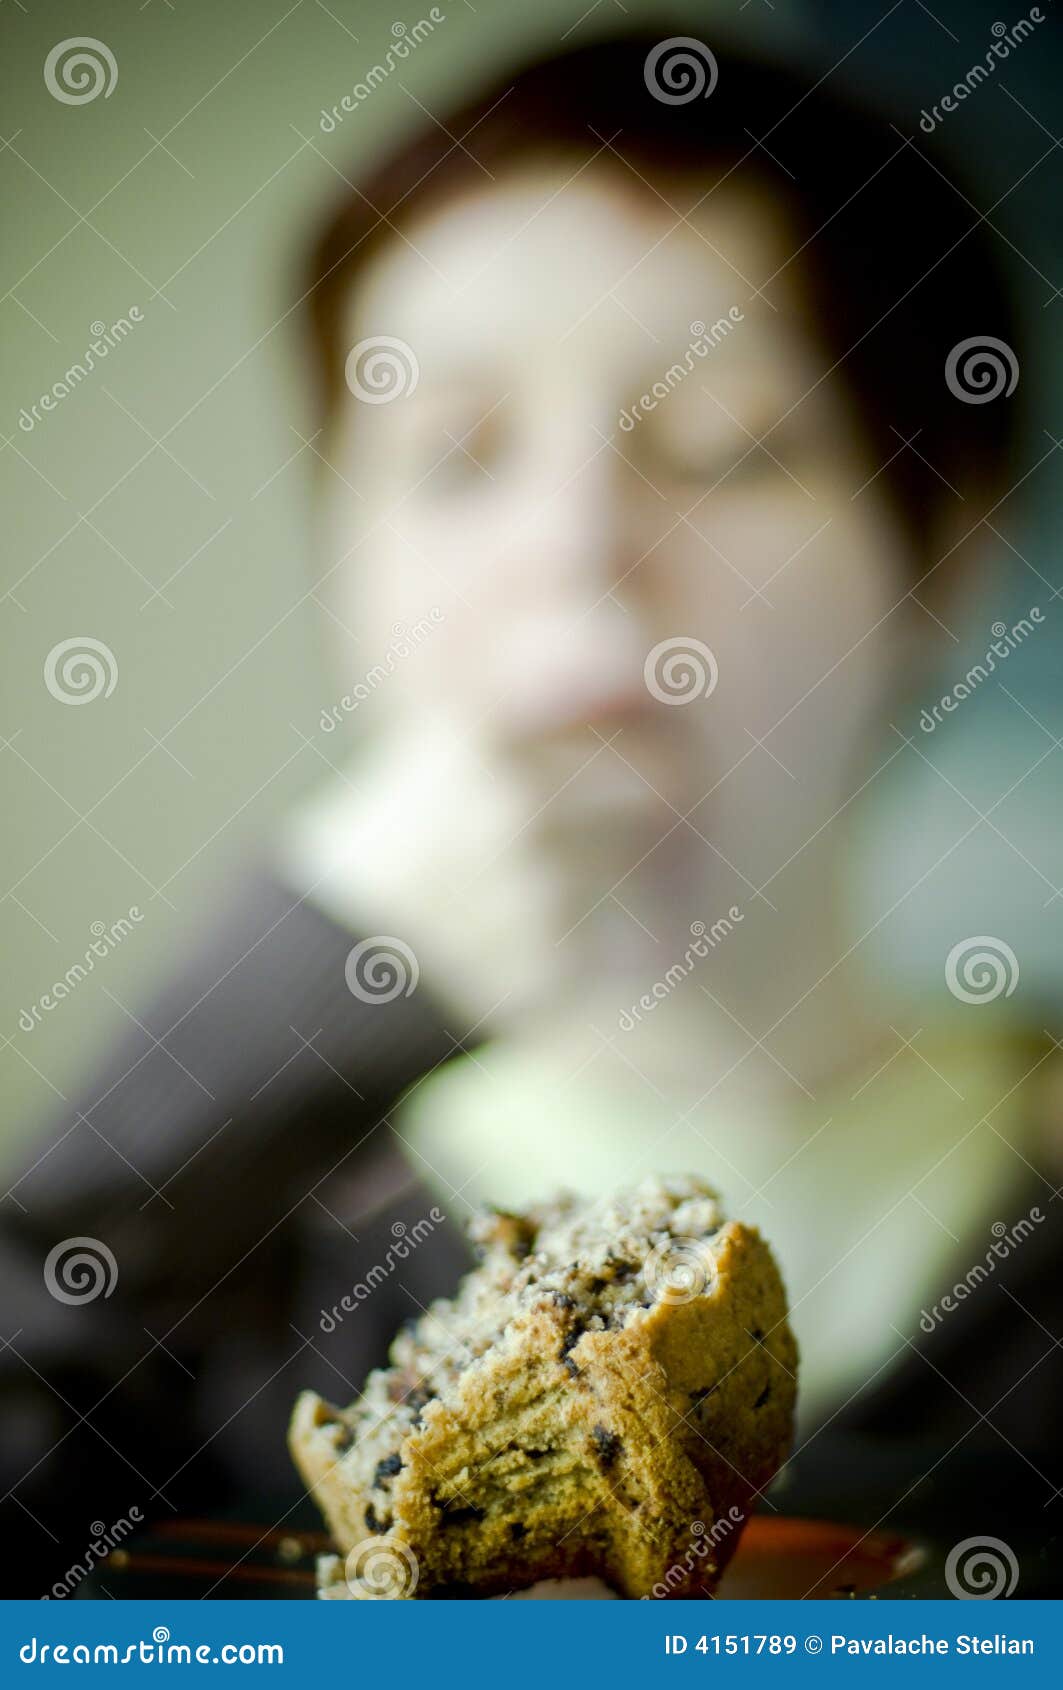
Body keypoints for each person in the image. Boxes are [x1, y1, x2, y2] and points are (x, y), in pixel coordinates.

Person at [2, 32, 1059, 1597]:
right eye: (456, 456)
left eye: (728, 446)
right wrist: (279, 995)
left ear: (948, 553)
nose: (578, 546)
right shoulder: (207, 1262)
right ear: (339, 571)